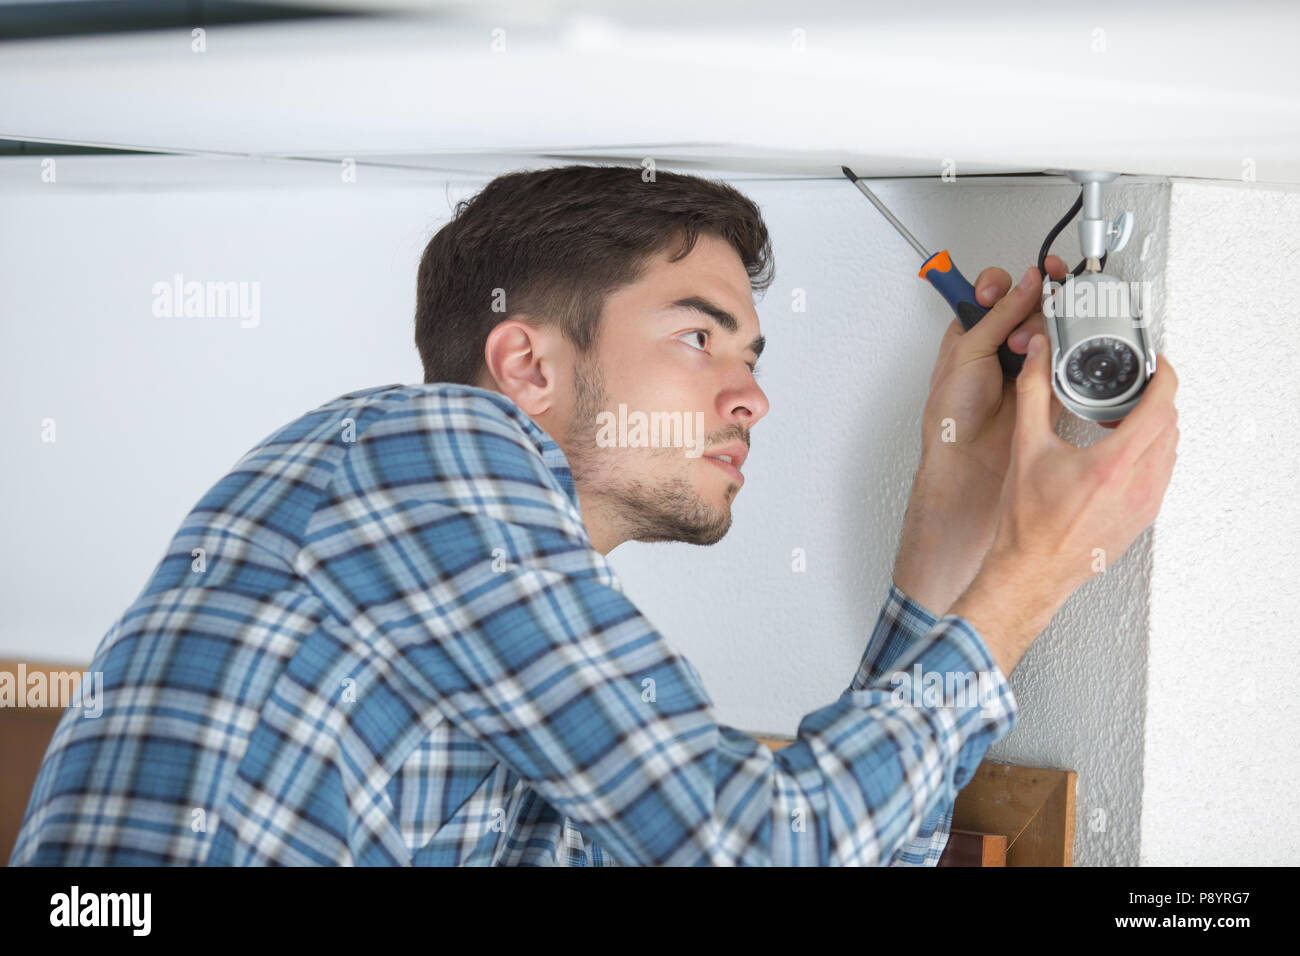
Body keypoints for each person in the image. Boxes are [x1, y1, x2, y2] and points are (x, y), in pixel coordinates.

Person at [9, 165, 1178, 866]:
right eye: (697, 335)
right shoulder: (422, 456)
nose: (751, 393)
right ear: (525, 362)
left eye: (749, 352)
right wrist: (1033, 576)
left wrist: (945, 535)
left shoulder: (493, 658)